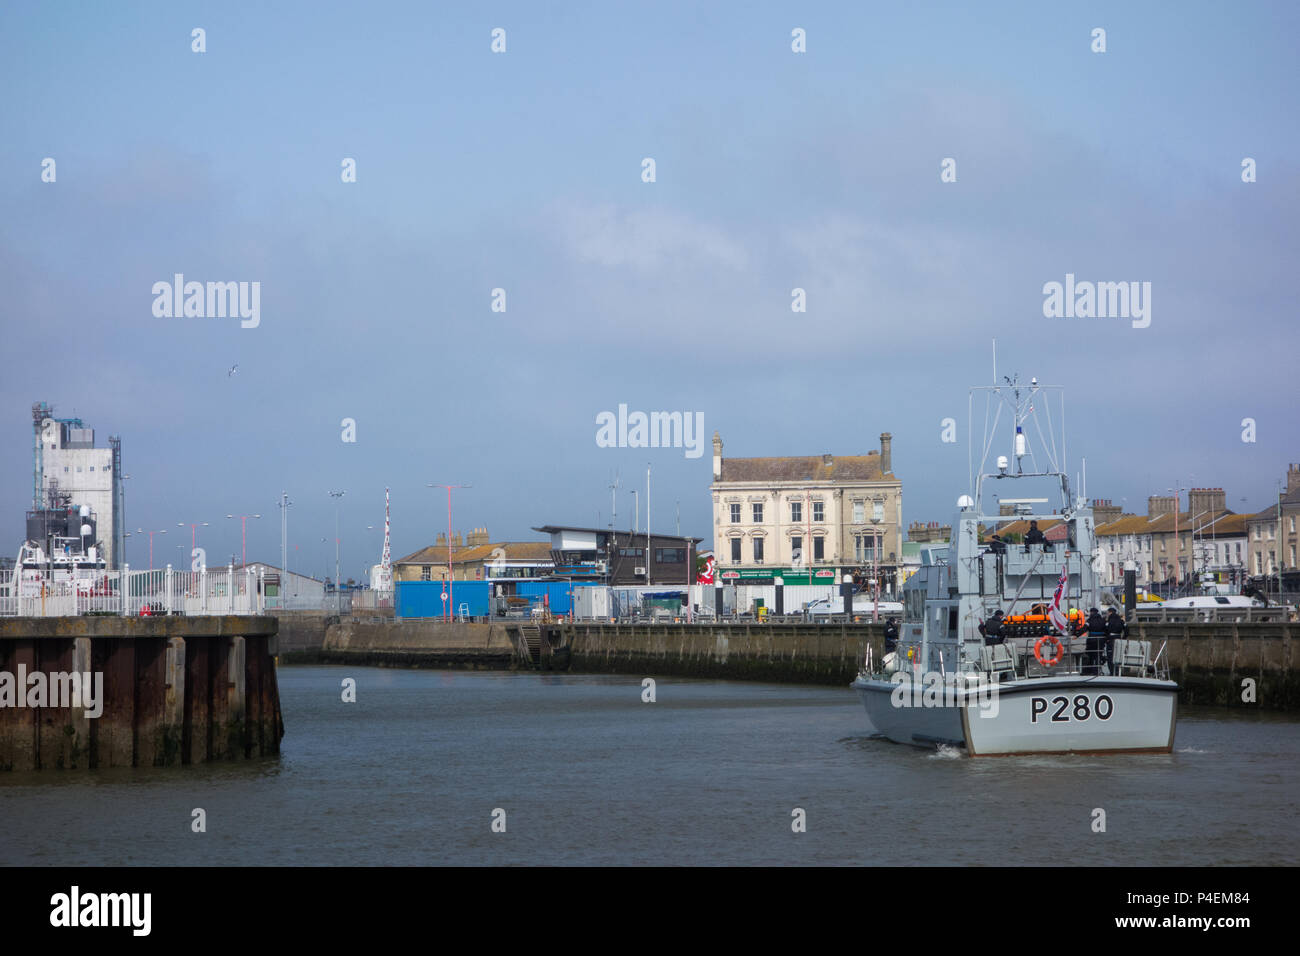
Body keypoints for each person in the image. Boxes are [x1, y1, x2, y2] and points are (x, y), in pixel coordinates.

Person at [1104, 607, 1128, 673]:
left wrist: (1106, 639)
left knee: (1110, 656)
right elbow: (1126, 630)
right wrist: (1123, 638)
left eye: (1107, 613)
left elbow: (1105, 630)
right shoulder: (1121, 621)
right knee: (1118, 655)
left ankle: (1111, 671)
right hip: (1119, 639)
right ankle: (1118, 671)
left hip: (1110, 640)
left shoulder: (1108, 621)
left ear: (1110, 612)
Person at [1084, 607, 1106, 675]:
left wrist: (1076, 635)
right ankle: (1097, 670)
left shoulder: (1089, 620)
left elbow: (1084, 628)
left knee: (1090, 655)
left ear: (1091, 612)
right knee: (1098, 655)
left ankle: (1089, 670)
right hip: (1101, 640)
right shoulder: (1103, 620)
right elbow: (1106, 629)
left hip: (1092, 639)